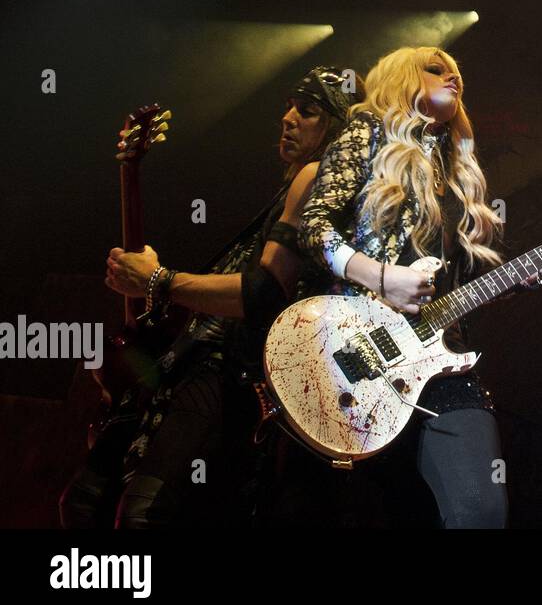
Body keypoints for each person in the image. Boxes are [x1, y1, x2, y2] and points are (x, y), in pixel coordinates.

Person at [295, 45, 542, 528]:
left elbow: (471, 286)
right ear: (401, 79)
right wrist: (381, 278)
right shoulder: (367, 131)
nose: (453, 77)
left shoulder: (458, 168)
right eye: (436, 68)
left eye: (457, 71)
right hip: (358, 351)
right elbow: (313, 227)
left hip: (442, 364)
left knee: (480, 510)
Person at [64, 66, 359, 527]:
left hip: (226, 370)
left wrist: (159, 279)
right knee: (84, 504)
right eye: (288, 106)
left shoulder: (320, 181)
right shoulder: (287, 189)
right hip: (186, 360)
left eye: (308, 111)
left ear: (339, 128)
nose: (287, 118)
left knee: (143, 515)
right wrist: (152, 285)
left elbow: (262, 295)